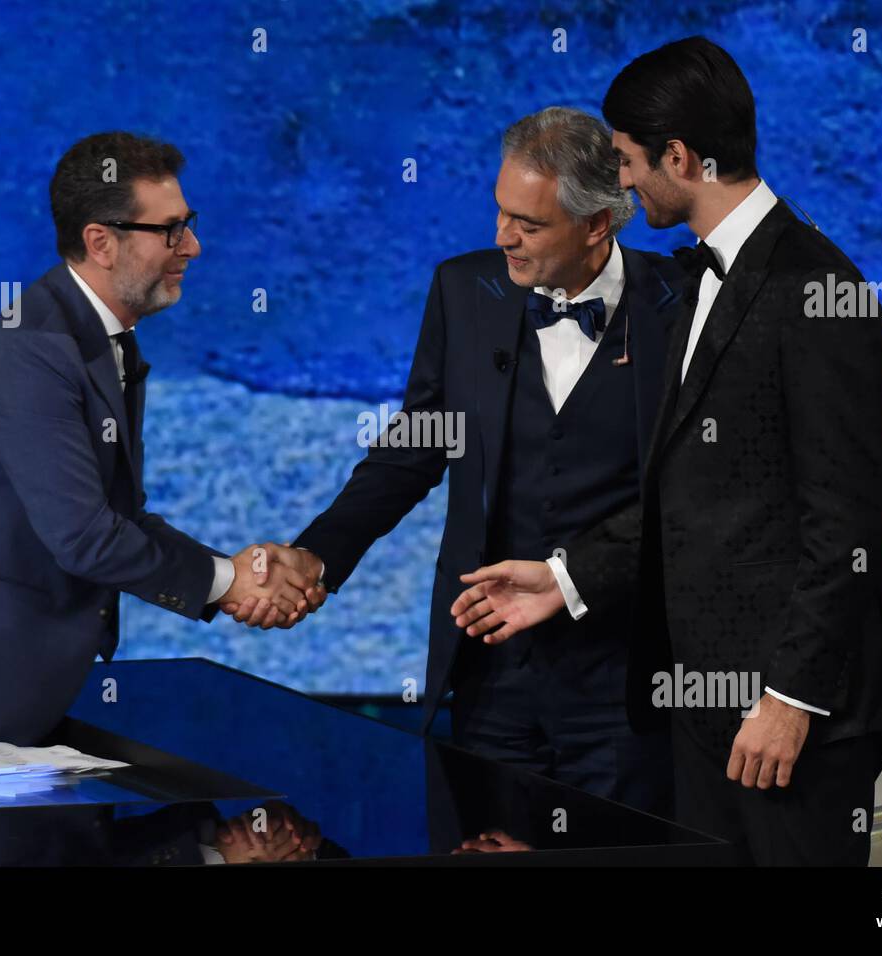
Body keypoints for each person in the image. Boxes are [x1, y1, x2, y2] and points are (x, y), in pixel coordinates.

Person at [451, 38, 882, 864]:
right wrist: (566, 576)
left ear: (679, 156)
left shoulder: (819, 290)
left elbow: (851, 521)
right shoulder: (699, 280)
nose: (621, 182)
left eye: (629, 161)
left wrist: (791, 696)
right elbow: (694, 494)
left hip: (786, 723)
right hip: (702, 715)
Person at [230, 108, 686, 809]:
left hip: (629, 684)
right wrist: (316, 555)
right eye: (500, 212)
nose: (502, 236)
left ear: (598, 224)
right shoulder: (463, 292)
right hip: (489, 674)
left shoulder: (682, 306)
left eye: (527, 225)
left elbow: (698, 494)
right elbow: (411, 452)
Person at [0, 132, 322, 750]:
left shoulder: (105, 340)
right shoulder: (34, 349)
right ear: (100, 242)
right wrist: (231, 582)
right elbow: (85, 537)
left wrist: (233, 574)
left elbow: (120, 517)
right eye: (170, 230)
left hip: (1, 688)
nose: (192, 246)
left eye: (188, 225)